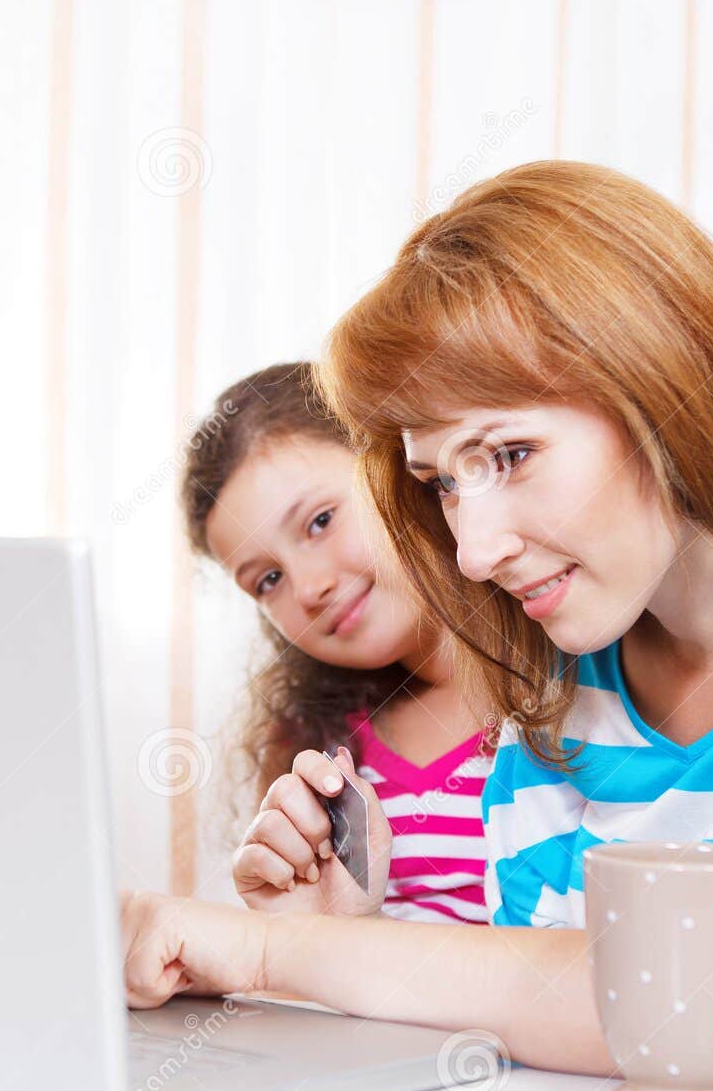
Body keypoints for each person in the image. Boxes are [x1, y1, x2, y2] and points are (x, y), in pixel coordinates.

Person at [123, 162, 713, 1079]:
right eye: (444, 482)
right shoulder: (558, 705)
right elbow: (560, 1030)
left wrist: (275, 954)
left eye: (509, 454)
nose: (472, 551)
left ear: (666, 382)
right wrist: (342, 936)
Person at [181, 362, 494, 924]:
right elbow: (319, 960)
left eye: (320, 521)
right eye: (268, 580)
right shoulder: (318, 758)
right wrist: (299, 936)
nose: (308, 587)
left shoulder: (583, 689)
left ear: (400, 465)